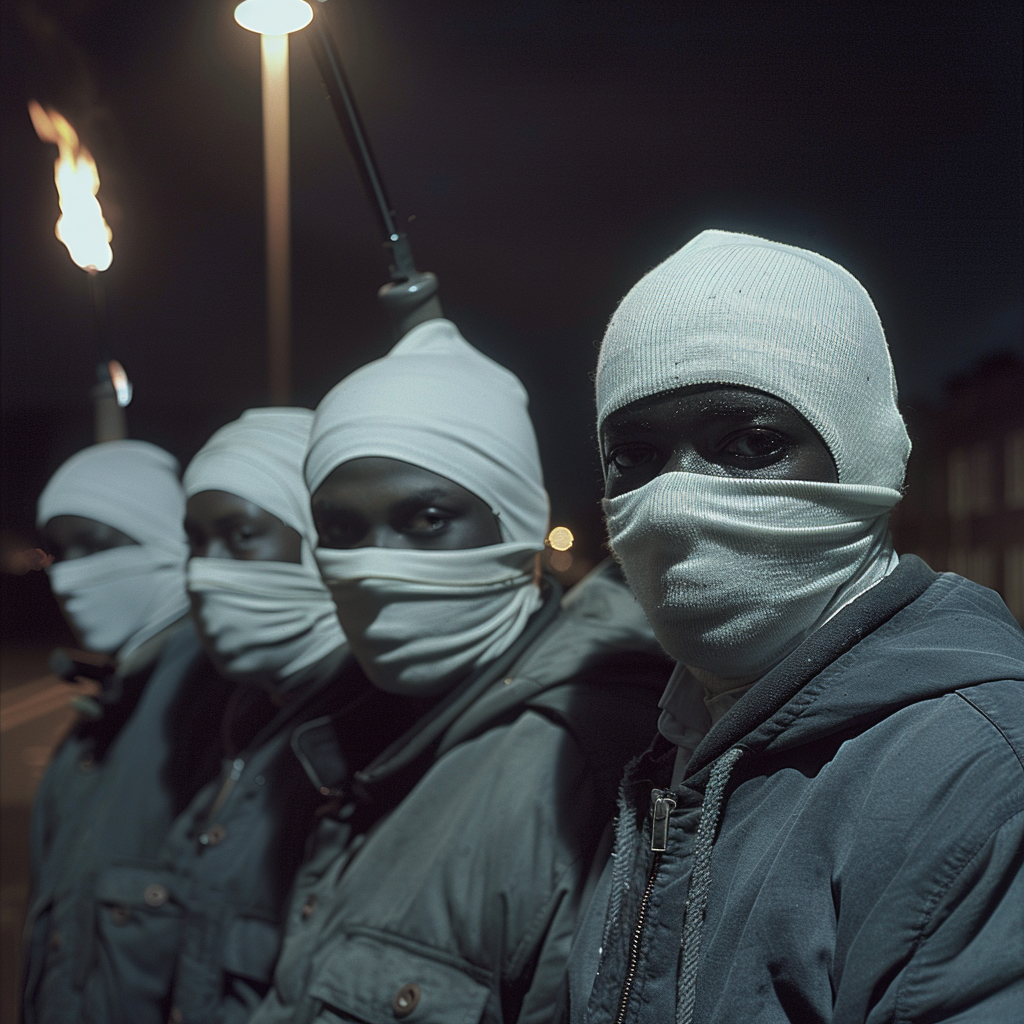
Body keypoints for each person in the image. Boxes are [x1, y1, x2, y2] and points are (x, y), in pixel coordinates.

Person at [566, 230, 1024, 1023]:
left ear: (865, 461)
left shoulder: (980, 777)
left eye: (751, 444)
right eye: (633, 455)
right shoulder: (675, 741)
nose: (674, 500)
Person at [250, 318, 672, 1024]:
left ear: (516, 525)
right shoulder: (356, 733)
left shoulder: (592, 771)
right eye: (341, 529)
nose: (377, 562)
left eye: (426, 518)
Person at [25, 440, 209, 1024]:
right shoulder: (105, 710)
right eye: (60, 552)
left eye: (98, 546)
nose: (71, 577)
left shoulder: (211, 706)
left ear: (167, 540)